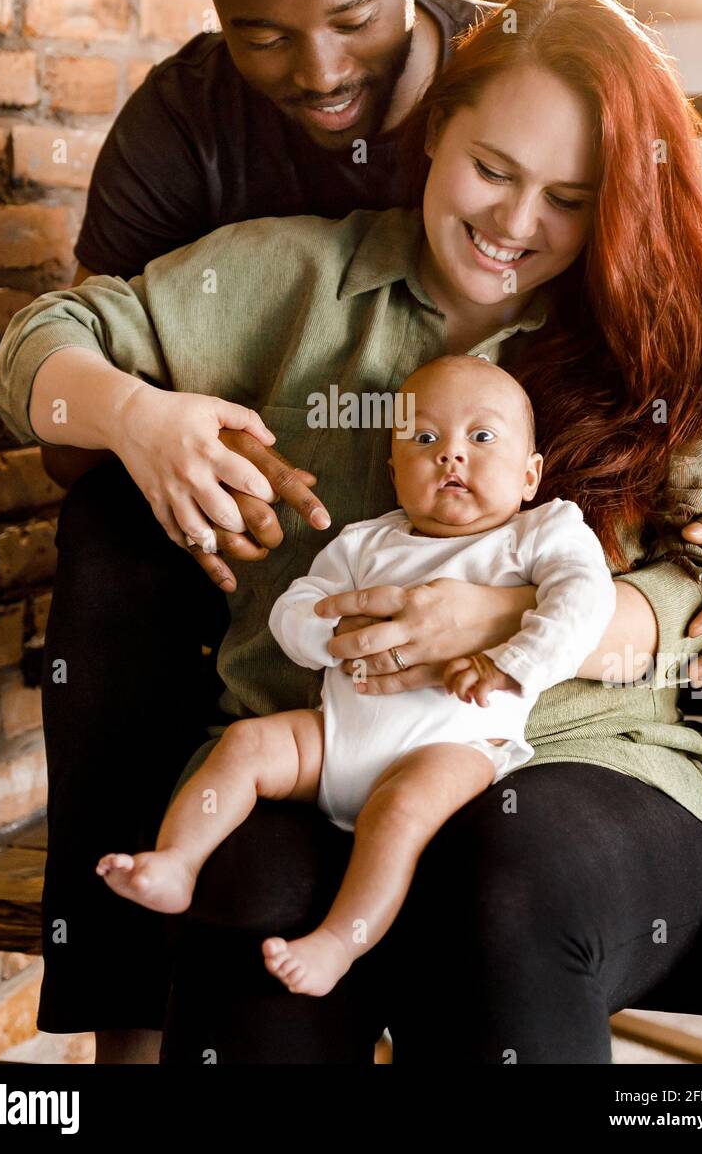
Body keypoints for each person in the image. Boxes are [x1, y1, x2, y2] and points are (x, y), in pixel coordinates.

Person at [0, 0, 702, 1062]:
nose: (514, 223)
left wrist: (500, 620)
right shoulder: (289, 278)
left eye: (565, 197)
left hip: (588, 759)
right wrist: (137, 416)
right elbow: (39, 343)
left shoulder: (646, 336)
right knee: (246, 881)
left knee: (508, 871)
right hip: (323, 749)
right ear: (433, 135)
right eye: (491, 171)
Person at [92, 356, 617, 999]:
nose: (451, 456)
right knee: (247, 745)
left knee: (399, 812)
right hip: (337, 739)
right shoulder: (367, 541)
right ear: (394, 472)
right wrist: (327, 638)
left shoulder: (540, 533)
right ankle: (176, 862)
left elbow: (585, 602)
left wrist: (513, 662)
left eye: (482, 438)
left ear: (530, 474)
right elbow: (295, 607)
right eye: (424, 439)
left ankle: (340, 941)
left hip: (451, 748)